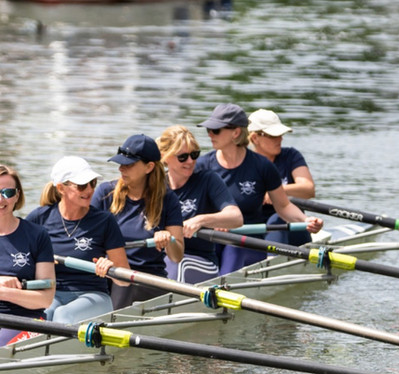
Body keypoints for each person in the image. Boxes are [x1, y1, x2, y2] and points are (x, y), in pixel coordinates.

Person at [196, 103, 323, 274]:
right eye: (208, 130)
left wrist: (305, 221)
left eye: (216, 130)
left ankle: (222, 287)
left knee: (235, 248)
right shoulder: (201, 166)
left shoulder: (262, 166)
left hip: (250, 242)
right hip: (214, 240)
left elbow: (283, 206)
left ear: (236, 133)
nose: (210, 134)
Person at [25, 156, 128, 324]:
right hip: (52, 292)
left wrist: (110, 268)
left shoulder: (104, 221)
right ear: (61, 188)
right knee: (45, 312)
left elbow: (123, 280)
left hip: (93, 295)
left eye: (92, 183)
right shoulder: (40, 218)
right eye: (81, 186)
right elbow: (18, 258)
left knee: (63, 315)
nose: (89, 190)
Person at [0, 165, 56, 349]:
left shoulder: (37, 235)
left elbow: (46, 298)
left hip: (28, 318)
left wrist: (2, 292)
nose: (0, 199)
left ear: (17, 196)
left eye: (7, 192)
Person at [91, 134, 185, 308]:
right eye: (120, 163)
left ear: (149, 167)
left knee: (124, 283)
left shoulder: (168, 199)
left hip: (147, 279)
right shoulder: (105, 193)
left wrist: (169, 239)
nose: (121, 169)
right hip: (109, 271)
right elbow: (88, 240)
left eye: (129, 165)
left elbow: (177, 256)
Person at [157, 125, 242, 284]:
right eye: (182, 157)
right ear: (165, 156)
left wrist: (200, 220)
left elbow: (236, 217)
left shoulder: (208, 180)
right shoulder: (156, 185)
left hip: (199, 260)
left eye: (194, 154)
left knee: (178, 264)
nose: (190, 161)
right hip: (164, 258)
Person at [248, 109, 315, 246]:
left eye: (281, 134)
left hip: (292, 229)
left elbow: (308, 189)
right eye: (273, 136)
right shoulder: (244, 162)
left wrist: (276, 192)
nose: (280, 139)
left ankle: (272, 261)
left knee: (277, 219)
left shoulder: (290, 156)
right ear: (255, 138)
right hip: (254, 228)